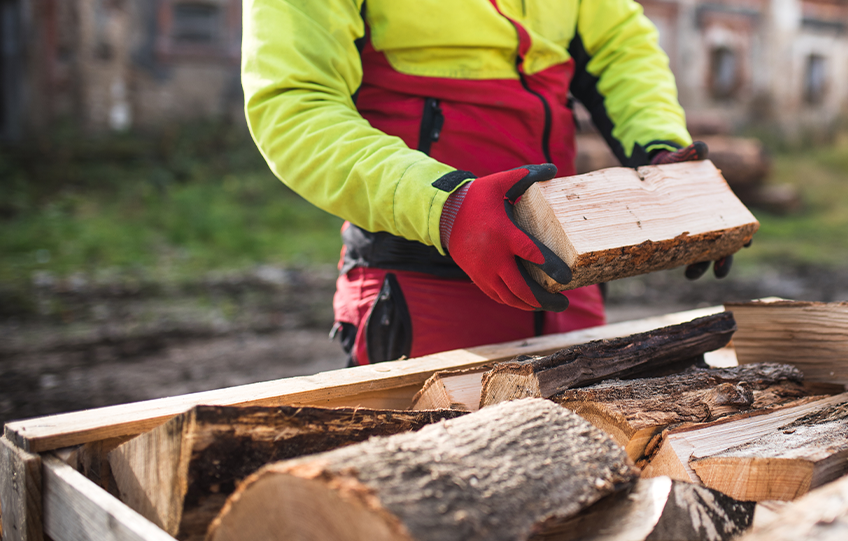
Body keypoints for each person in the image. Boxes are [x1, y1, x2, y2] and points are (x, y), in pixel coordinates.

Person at [241, 0, 726, 366]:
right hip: (423, 278)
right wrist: (446, 206)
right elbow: (295, 106)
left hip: (567, 270)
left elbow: (620, 47)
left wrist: (660, 154)